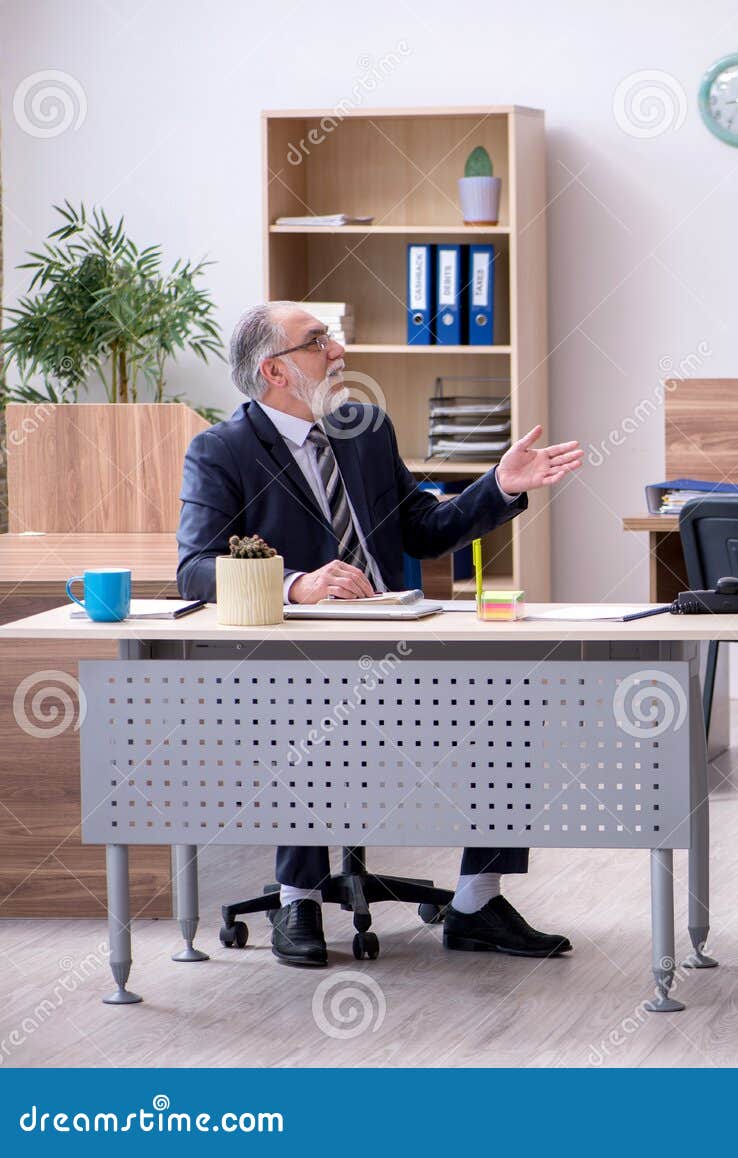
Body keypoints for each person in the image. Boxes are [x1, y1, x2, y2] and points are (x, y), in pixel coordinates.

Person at [177, 301, 583, 968]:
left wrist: (498, 487)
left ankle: (478, 903)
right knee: (303, 704)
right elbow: (195, 567)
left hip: (395, 643)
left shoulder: (363, 429)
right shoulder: (221, 451)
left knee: (511, 700)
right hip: (293, 659)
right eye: (318, 342)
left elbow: (420, 528)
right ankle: (297, 897)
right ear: (273, 370)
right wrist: (298, 584)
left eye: (331, 337)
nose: (337, 353)